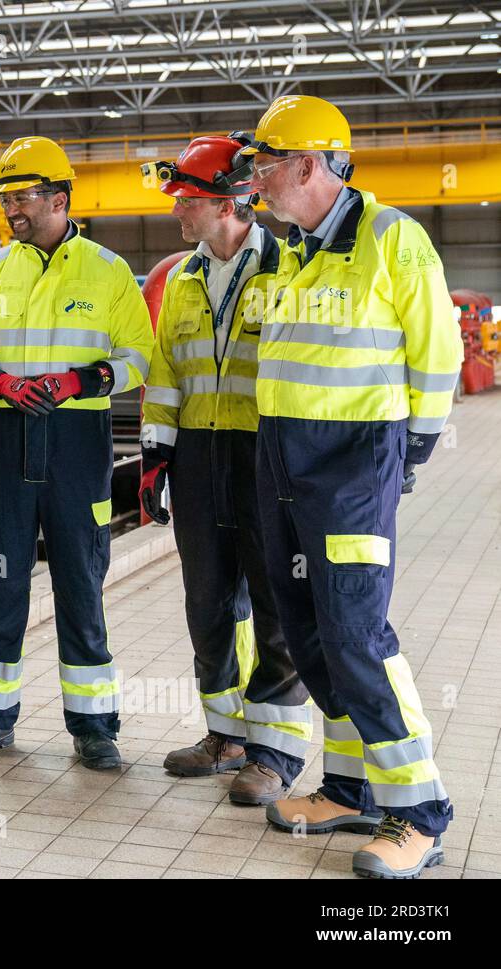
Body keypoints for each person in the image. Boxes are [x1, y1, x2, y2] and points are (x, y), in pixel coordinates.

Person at [240, 95, 462, 878]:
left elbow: (438, 349)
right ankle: (349, 786)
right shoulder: (295, 246)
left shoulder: (393, 239)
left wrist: (413, 449)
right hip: (283, 456)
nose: (257, 178)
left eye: (266, 163)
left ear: (307, 164)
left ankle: (419, 811)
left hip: (353, 459)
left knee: (356, 630)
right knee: (307, 628)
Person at [0, 136, 153, 768]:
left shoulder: (108, 270)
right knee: (2, 580)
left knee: (80, 581)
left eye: (24, 196)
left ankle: (94, 727)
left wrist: (76, 381)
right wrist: (0, 383)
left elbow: (138, 358)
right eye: (7, 197)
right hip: (6, 438)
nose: (12, 208)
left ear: (60, 199)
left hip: (77, 444)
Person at [139, 135, 312, 805]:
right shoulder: (180, 277)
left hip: (264, 457)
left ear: (229, 203)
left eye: (187, 202)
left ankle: (274, 754)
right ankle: (225, 735)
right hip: (199, 458)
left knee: (274, 603)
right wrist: (156, 457)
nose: (177, 214)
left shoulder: (289, 269)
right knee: (207, 602)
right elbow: (165, 372)